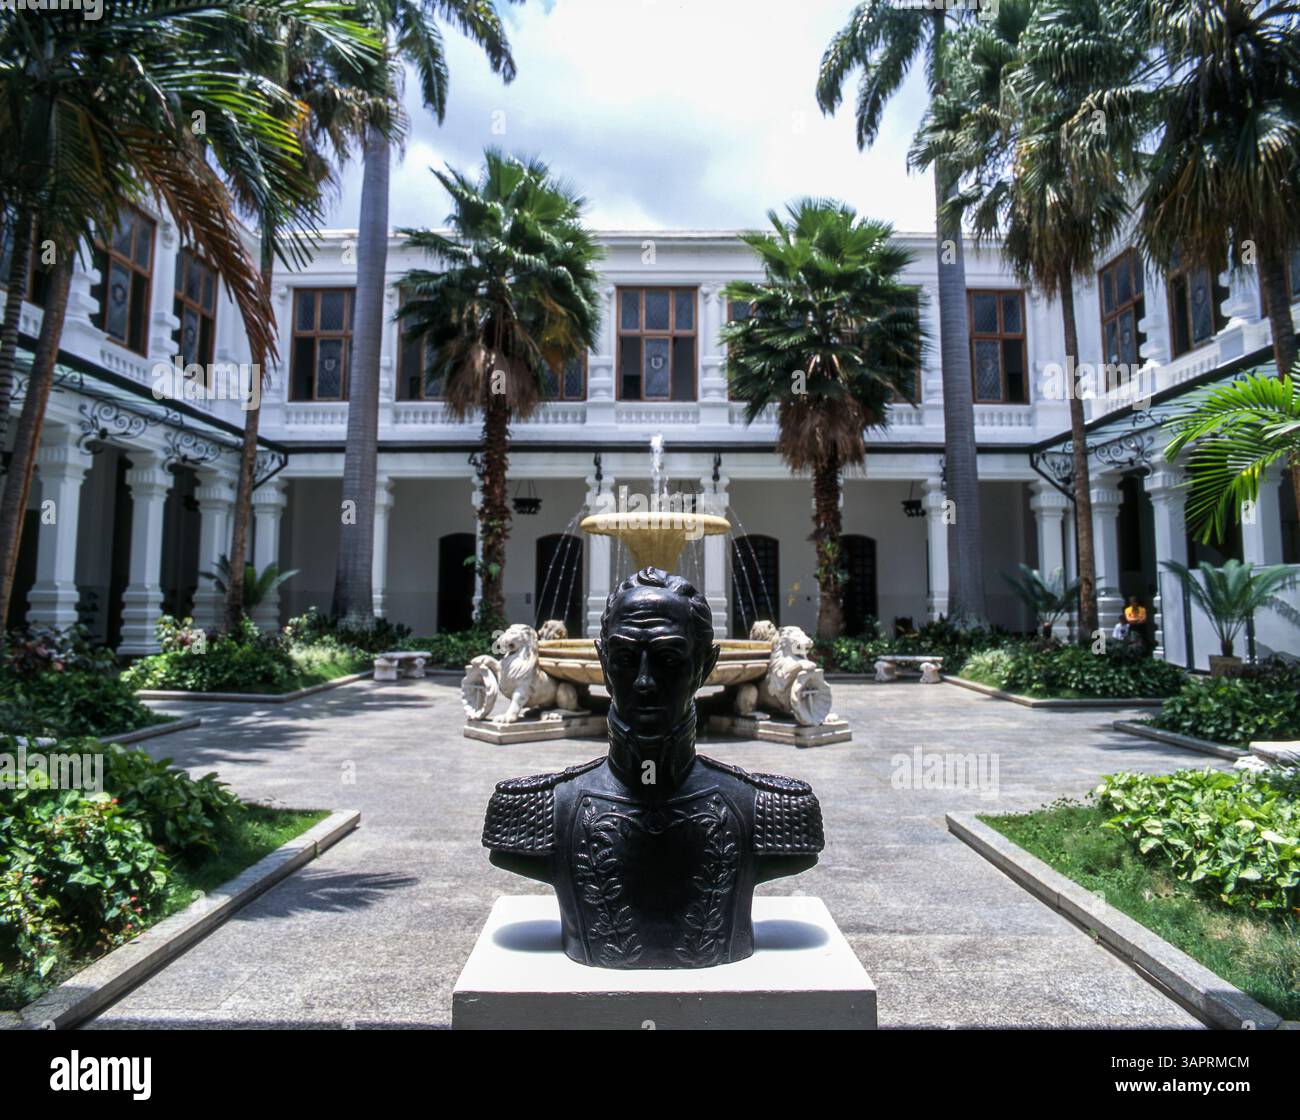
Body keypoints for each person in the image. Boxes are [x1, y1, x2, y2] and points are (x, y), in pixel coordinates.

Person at [481, 566, 824, 969]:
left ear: (705, 665)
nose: (644, 682)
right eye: (626, 658)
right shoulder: (532, 810)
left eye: (667, 658)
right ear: (603, 663)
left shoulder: (775, 809)